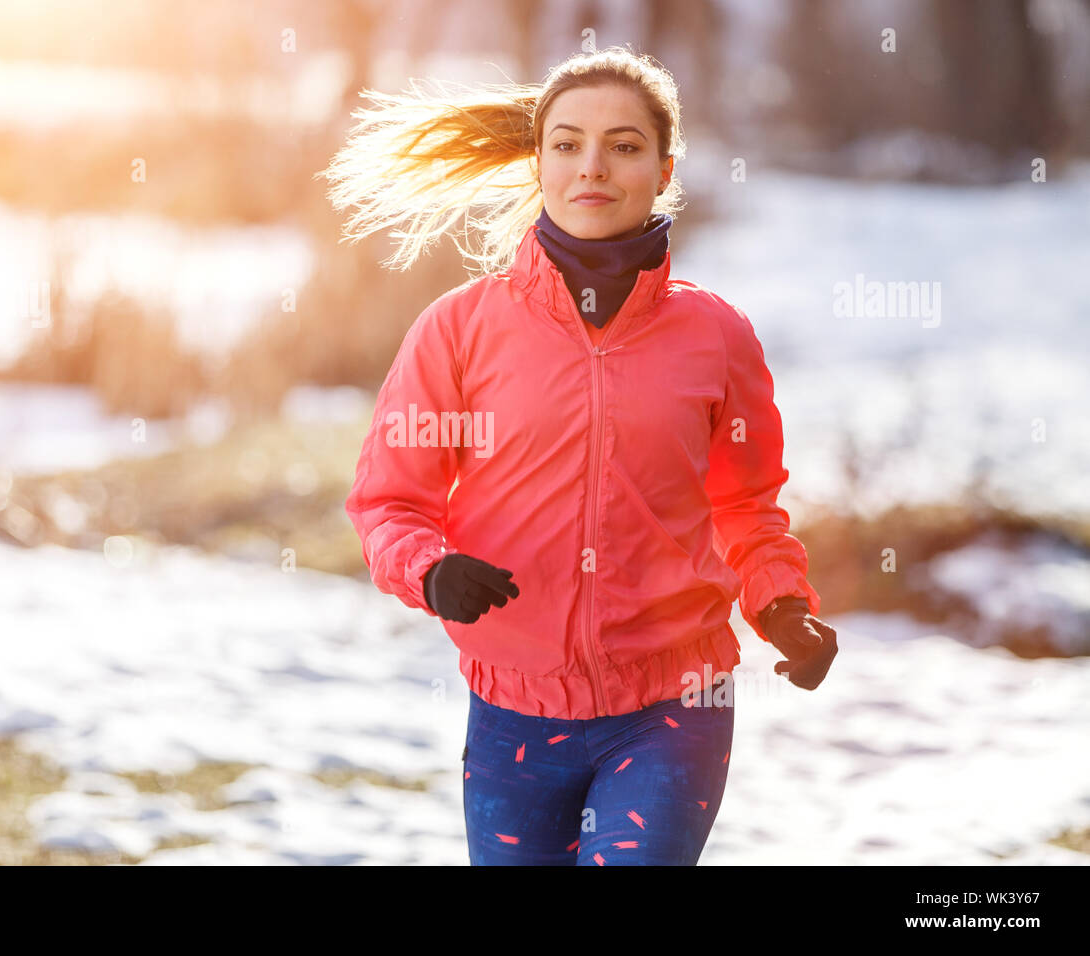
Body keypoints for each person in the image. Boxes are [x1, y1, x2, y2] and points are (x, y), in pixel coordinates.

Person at [325, 45, 838, 865]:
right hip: (513, 711)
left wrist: (781, 605)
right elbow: (390, 500)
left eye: (624, 146)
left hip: (675, 703)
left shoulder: (718, 337)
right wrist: (430, 568)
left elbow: (745, 505)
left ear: (665, 169)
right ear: (538, 163)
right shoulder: (460, 330)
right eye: (566, 144)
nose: (591, 167)